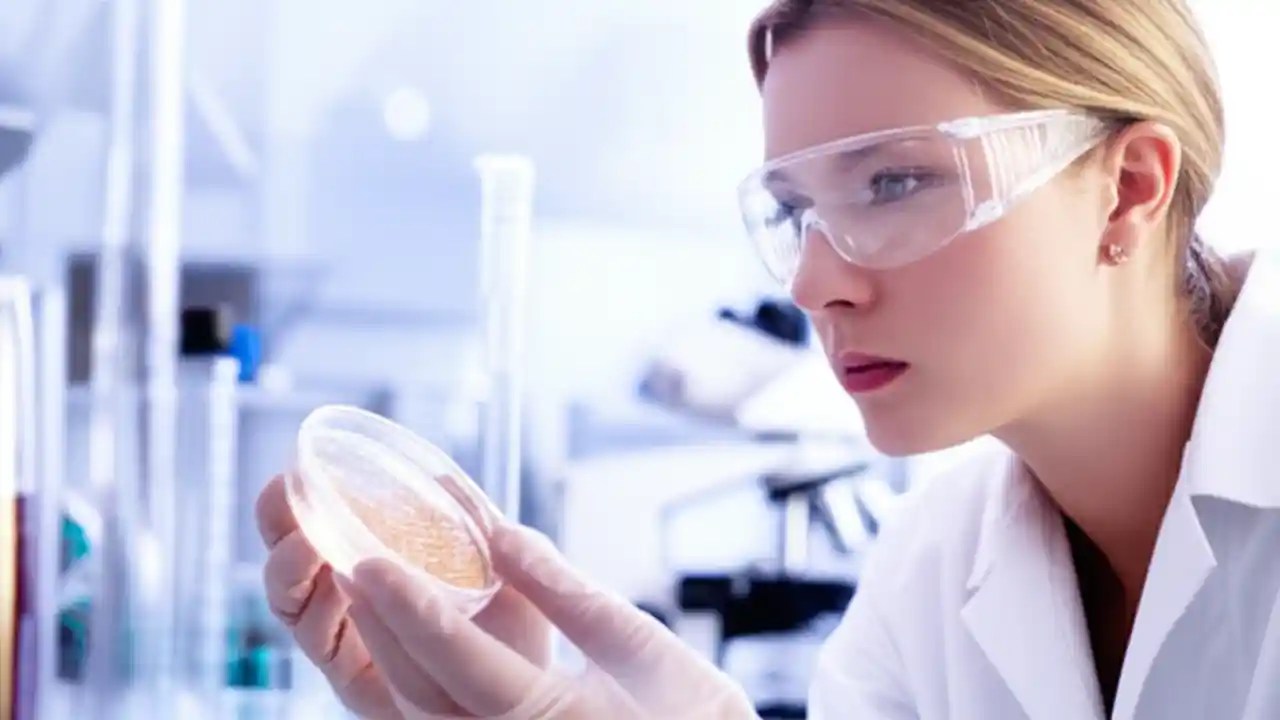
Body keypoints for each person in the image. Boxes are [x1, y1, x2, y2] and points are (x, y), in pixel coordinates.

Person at [257, 0, 1280, 718]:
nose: (812, 284)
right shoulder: (932, 569)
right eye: (795, 213)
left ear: (1127, 189)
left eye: (891, 185)